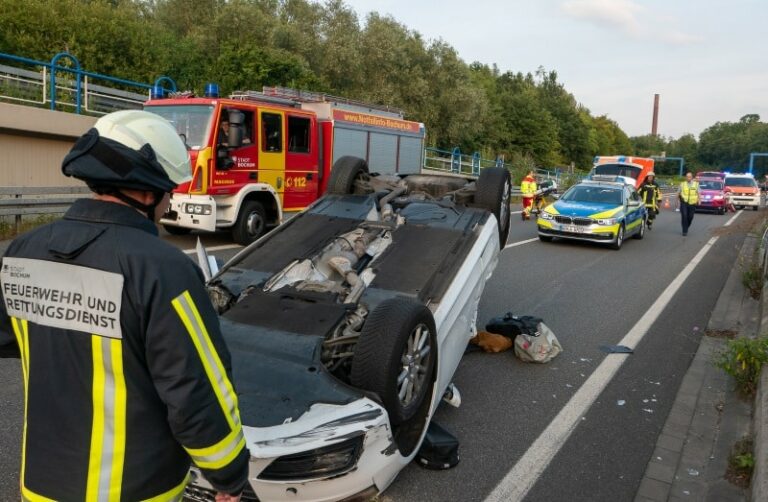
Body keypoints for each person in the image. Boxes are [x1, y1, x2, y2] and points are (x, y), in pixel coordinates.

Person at [0, 110, 249, 501]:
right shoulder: (164, 269)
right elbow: (195, 391)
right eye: (168, 190)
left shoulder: (23, 250)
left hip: (40, 485)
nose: (170, 200)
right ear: (147, 194)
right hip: (132, 490)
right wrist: (229, 474)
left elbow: (16, 335)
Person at [678, 170, 700, 236]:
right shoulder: (682, 184)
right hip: (684, 202)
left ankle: (686, 226)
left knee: (690, 217)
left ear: (692, 177)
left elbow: (699, 193)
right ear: (686, 177)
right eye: (687, 177)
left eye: (689, 177)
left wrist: (699, 200)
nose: (688, 178)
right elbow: (678, 193)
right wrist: (677, 202)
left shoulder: (696, 184)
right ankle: (684, 231)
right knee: (684, 215)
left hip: (692, 203)